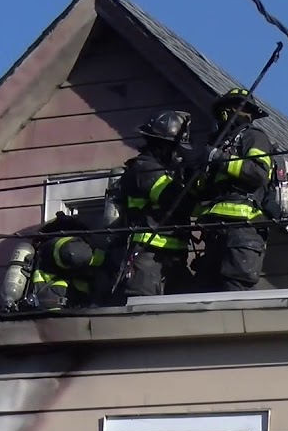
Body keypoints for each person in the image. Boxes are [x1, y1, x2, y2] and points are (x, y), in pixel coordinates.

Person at [189, 88, 277, 292]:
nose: (222, 117)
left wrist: (220, 159)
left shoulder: (253, 137)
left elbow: (258, 173)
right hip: (215, 232)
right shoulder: (220, 144)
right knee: (205, 292)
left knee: (233, 292)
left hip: (243, 231)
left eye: (226, 111)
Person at [108, 110, 197, 301]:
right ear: (162, 145)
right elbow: (174, 199)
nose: (179, 154)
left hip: (172, 258)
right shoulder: (145, 168)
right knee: (144, 306)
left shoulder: (169, 171)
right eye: (176, 148)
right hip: (147, 255)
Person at [24, 212, 111, 311]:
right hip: (59, 308)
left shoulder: (44, 250)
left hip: (58, 307)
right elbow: (73, 254)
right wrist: (107, 259)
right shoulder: (61, 245)